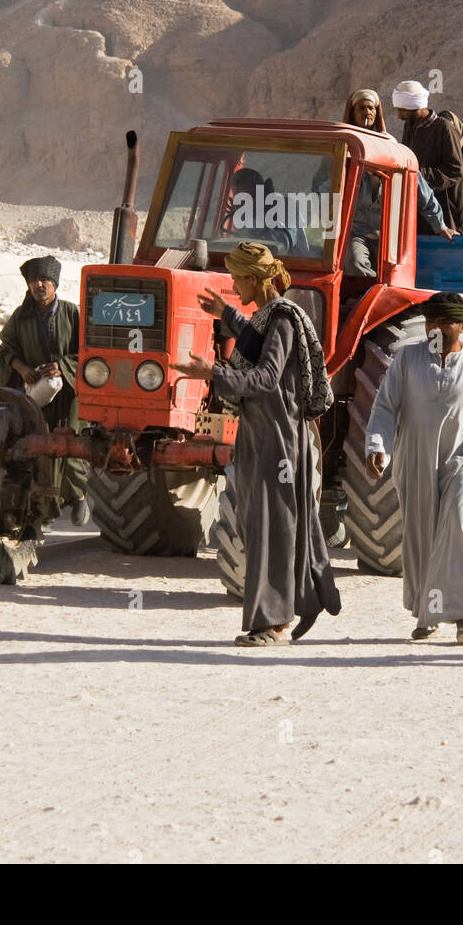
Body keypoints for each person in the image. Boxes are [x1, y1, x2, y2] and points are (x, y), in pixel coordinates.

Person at [172, 241, 341, 645]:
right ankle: (303, 600)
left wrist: (211, 371)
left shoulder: (282, 318)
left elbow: (265, 379)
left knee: (274, 528)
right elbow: (254, 339)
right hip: (260, 432)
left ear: (253, 279)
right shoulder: (268, 316)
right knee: (264, 524)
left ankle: (273, 622)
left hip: (279, 437)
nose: (234, 285)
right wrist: (226, 315)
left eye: (237, 280)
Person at [365, 292, 463, 644]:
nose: (434, 328)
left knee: (462, 524)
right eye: (430, 321)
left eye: (443, 322)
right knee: (424, 539)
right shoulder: (407, 359)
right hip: (415, 460)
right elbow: (384, 407)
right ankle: (432, 609)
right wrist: (378, 444)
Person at [0, 256, 90, 525]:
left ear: (55, 284)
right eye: (34, 280)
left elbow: (89, 351)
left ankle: (79, 497)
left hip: (69, 393)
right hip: (37, 394)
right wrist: (22, 368)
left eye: (45, 280)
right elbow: (6, 350)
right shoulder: (21, 316)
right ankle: (42, 511)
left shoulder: (72, 313)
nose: (39, 285)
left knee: (71, 445)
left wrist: (63, 366)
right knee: (39, 447)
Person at [338, 89, 458, 275]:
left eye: (371, 108)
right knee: (355, 263)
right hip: (357, 231)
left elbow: (418, 185)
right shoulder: (343, 147)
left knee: (394, 273)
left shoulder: (389, 146)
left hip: (387, 231)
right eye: (361, 108)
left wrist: (440, 226)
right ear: (353, 112)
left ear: (377, 113)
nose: (367, 112)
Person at [392, 80, 463, 235]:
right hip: (422, 210)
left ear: (416, 106)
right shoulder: (410, 127)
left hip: (447, 212)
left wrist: (418, 176)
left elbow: (455, 171)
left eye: (403, 110)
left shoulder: (444, 128)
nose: (400, 116)